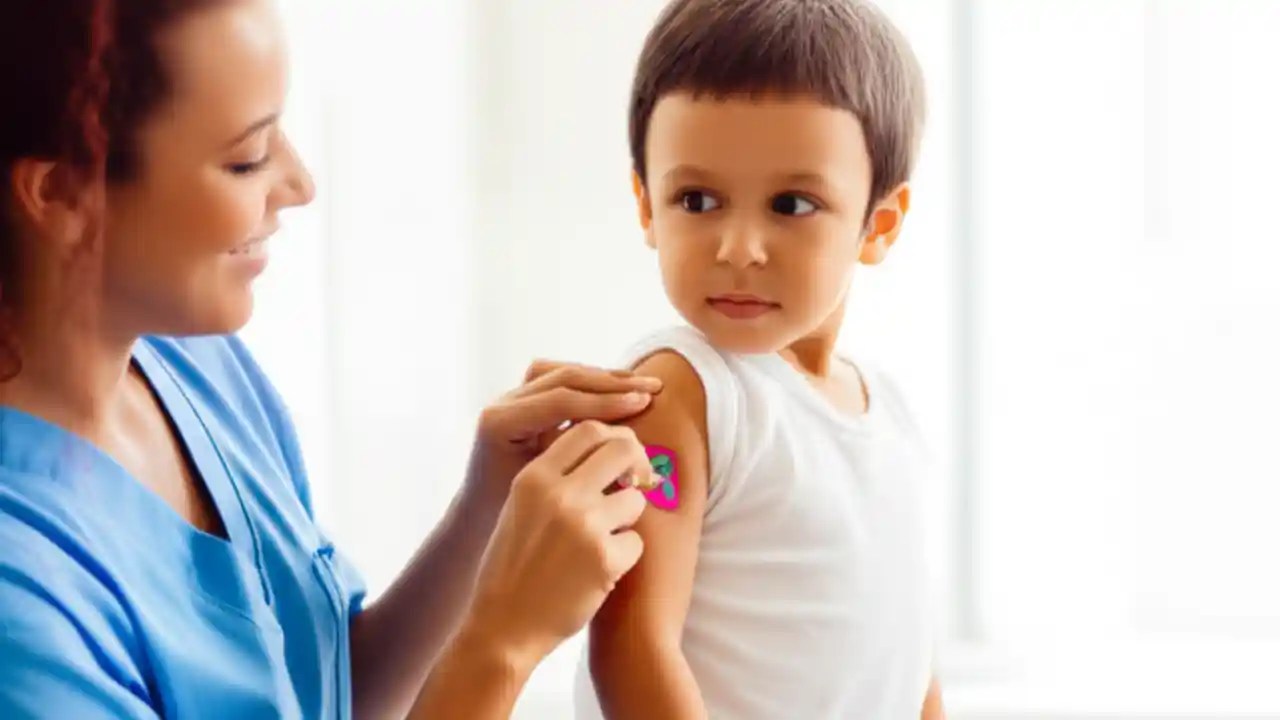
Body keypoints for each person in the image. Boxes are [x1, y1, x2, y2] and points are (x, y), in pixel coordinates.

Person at [0, 1, 660, 718]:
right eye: (247, 159)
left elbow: (325, 694)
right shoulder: (24, 604)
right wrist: (502, 643)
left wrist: (483, 517)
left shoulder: (197, 366)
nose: (300, 183)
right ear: (61, 192)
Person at [573, 0, 946, 718]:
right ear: (647, 205)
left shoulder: (890, 414)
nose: (738, 246)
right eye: (699, 198)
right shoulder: (677, 397)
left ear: (878, 224)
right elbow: (632, 645)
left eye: (792, 205)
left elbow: (908, 651)